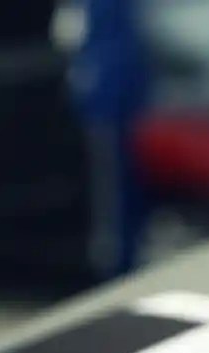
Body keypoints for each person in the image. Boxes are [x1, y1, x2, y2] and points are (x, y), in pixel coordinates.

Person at [60, 0, 152, 278]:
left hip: (113, 103)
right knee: (118, 191)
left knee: (115, 194)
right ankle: (119, 260)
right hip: (124, 99)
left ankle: (116, 263)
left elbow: (72, 37)